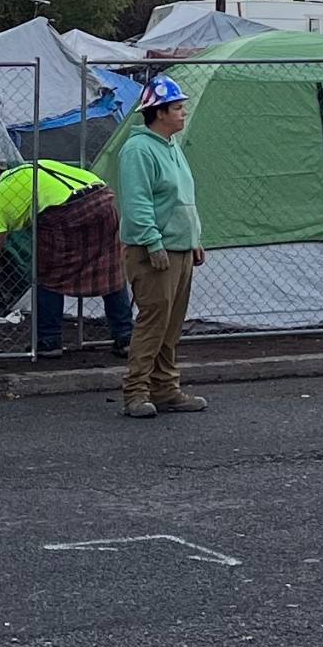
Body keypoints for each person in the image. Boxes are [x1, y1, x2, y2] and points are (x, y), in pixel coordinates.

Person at [0, 159, 134, 358]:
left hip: (64, 212)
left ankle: (49, 340)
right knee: (110, 269)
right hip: (102, 201)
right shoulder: (35, 166)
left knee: (47, 275)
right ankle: (125, 337)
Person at [114, 74, 206, 419]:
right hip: (155, 252)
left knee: (171, 324)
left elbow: (183, 197)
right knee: (153, 322)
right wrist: (153, 243)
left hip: (179, 249)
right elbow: (138, 204)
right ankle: (136, 392)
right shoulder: (138, 150)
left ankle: (166, 387)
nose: (183, 113)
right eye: (178, 108)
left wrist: (194, 239)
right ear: (160, 113)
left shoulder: (171, 147)